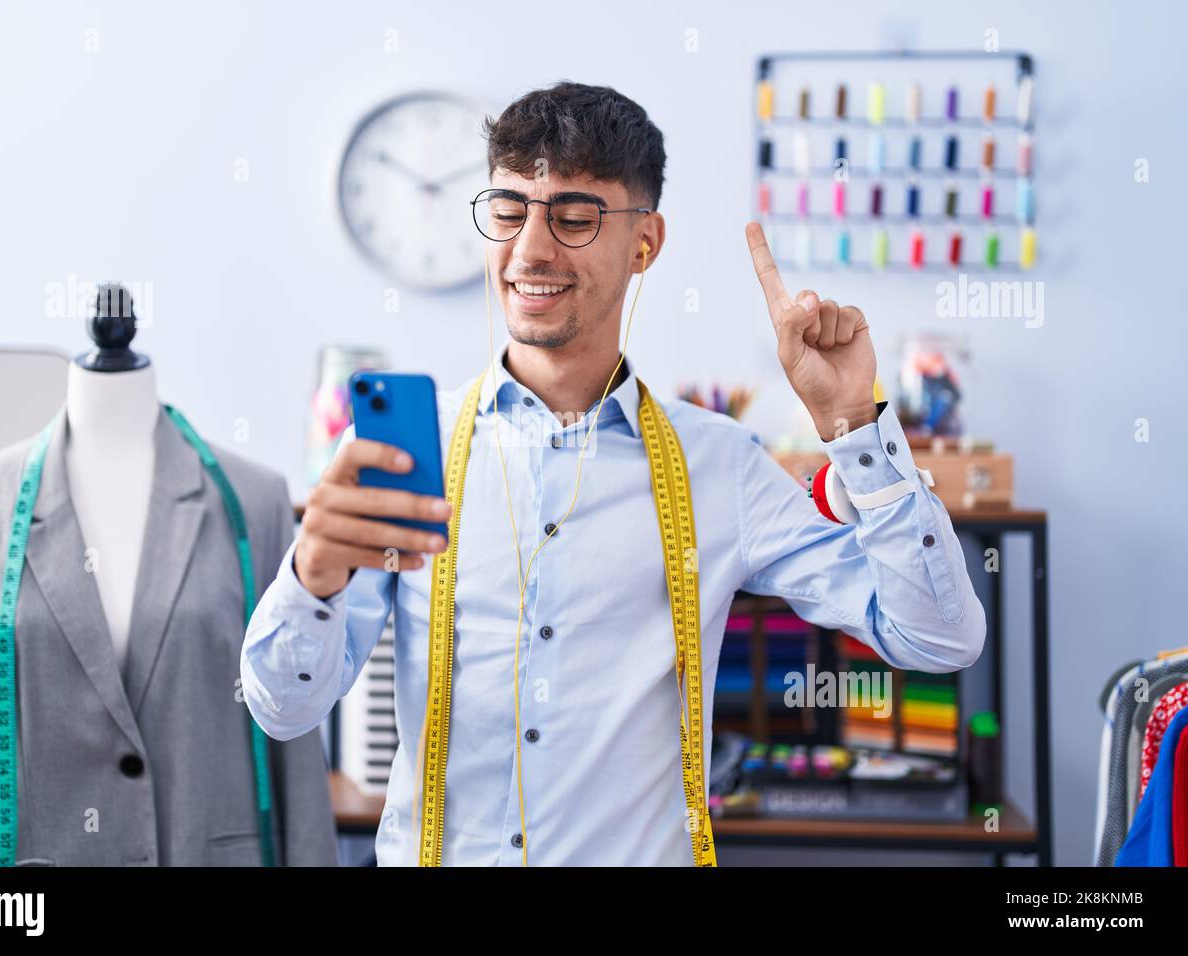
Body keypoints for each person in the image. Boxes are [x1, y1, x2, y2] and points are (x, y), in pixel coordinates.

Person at [240, 81, 985, 866]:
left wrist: (855, 426)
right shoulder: (409, 454)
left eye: (573, 216)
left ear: (644, 243)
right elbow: (284, 711)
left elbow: (939, 640)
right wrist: (311, 576)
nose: (530, 250)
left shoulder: (719, 468)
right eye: (507, 209)